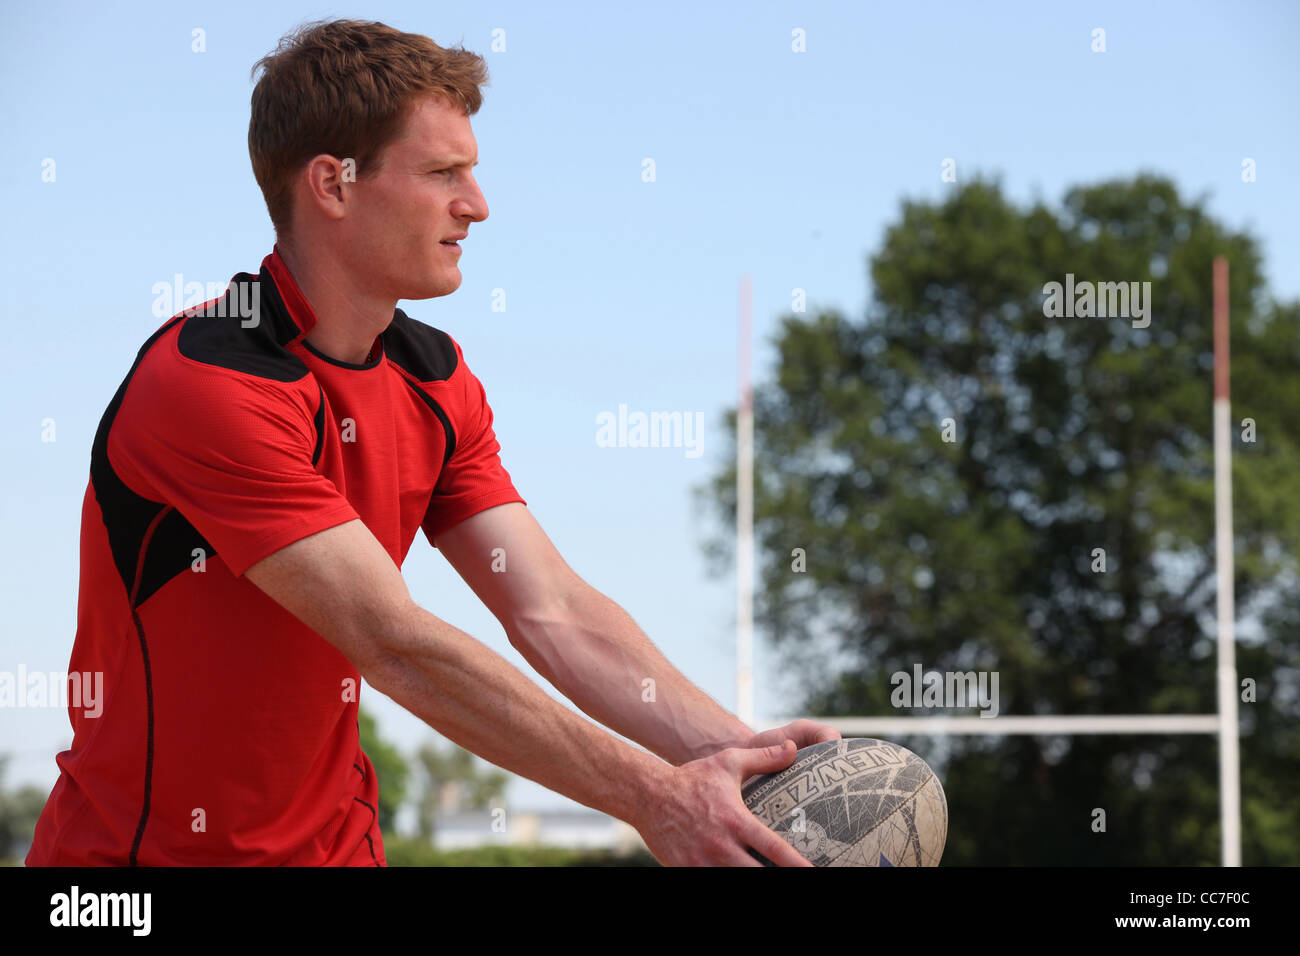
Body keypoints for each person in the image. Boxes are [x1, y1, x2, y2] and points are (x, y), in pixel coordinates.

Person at [26, 17, 838, 868]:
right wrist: (650, 797)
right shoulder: (209, 381)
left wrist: (749, 761)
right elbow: (393, 643)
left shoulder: (436, 378)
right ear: (332, 187)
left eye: (473, 173)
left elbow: (550, 607)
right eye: (443, 173)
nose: (477, 205)